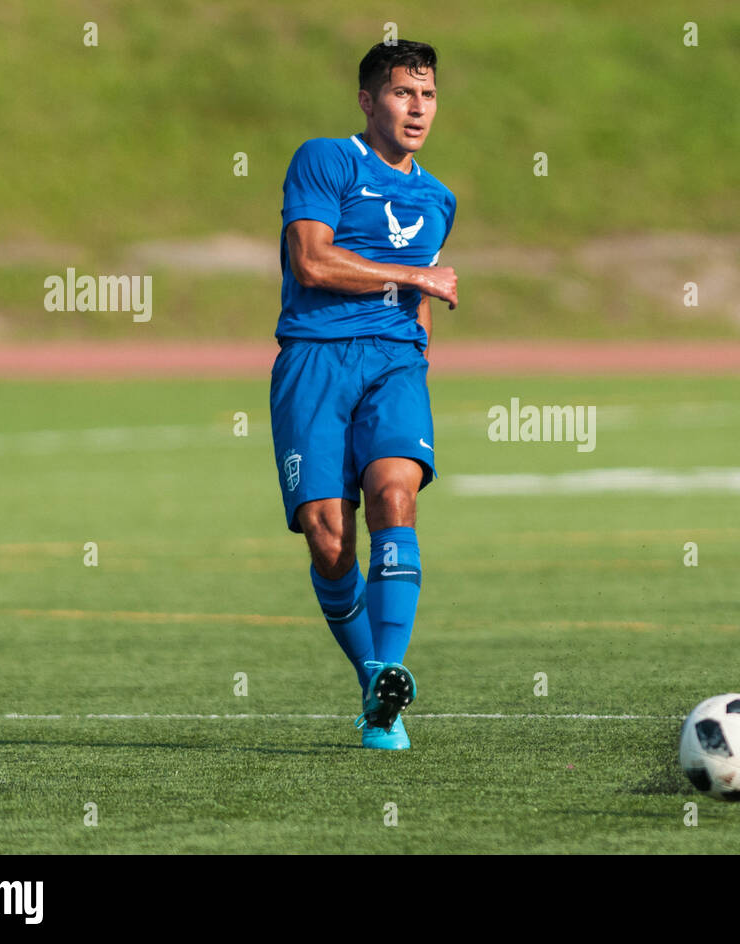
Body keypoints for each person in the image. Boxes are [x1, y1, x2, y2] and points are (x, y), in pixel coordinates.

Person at [270, 39, 457, 750]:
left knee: (394, 498)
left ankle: (392, 680)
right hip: (314, 362)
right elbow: (311, 260)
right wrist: (414, 280)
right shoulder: (325, 159)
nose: (418, 108)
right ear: (368, 99)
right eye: (403, 93)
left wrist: (417, 366)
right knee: (327, 534)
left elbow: (425, 300)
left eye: (429, 94)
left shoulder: (438, 198)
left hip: (394, 364)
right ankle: (374, 681)